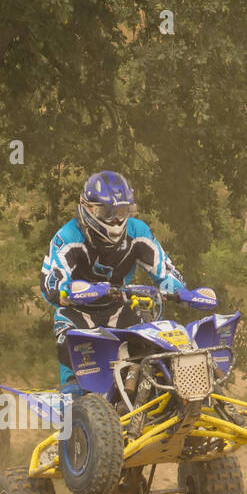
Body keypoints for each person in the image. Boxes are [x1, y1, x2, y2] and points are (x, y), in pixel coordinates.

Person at [39, 170, 211, 398]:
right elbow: (51, 281)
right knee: (75, 393)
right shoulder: (68, 236)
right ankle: (75, 426)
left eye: (121, 211)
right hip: (76, 316)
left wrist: (180, 292)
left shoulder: (138, 231)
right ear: (88, 208)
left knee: (156, 356)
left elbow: (164, 270)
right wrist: (68, 290)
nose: (116, 220)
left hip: (121, 310)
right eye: (106, 212)